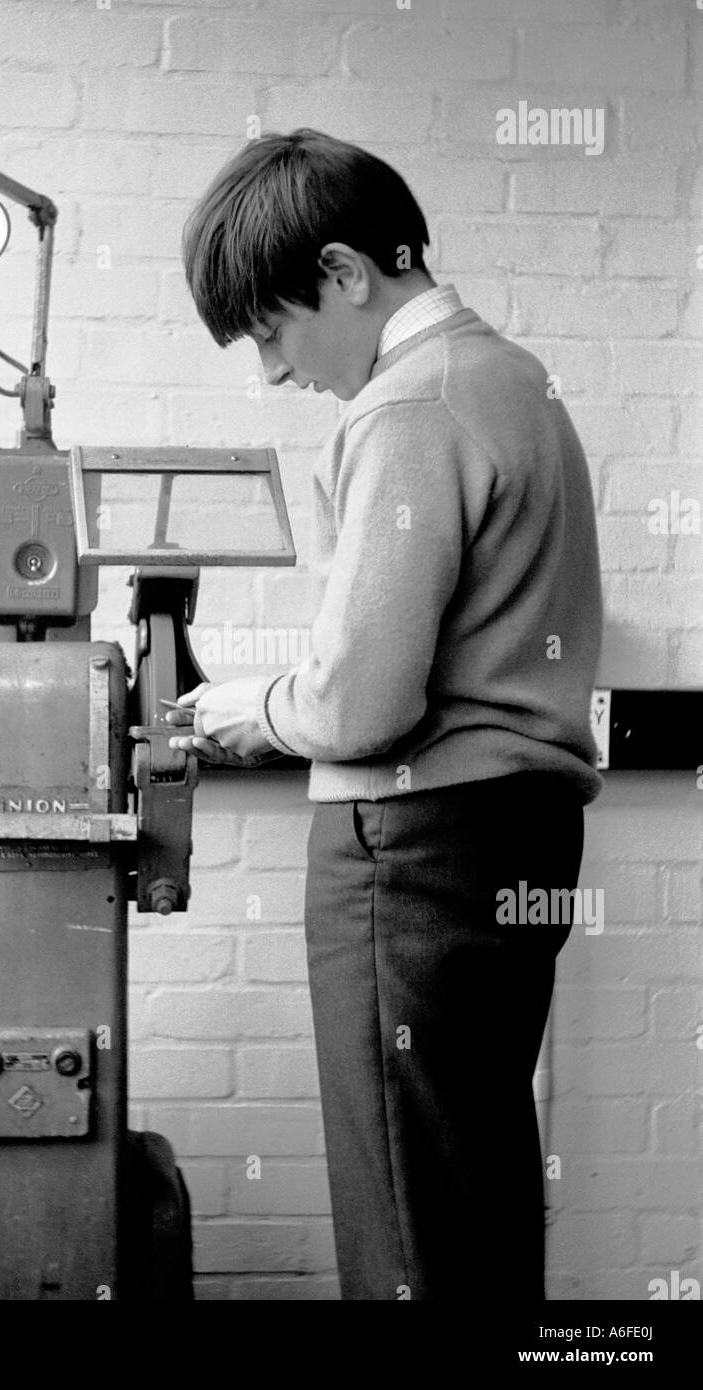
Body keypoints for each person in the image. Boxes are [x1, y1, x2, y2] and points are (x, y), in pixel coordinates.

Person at [167, 127, 603, 1300]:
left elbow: (362, 702)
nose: (272, 370)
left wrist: (244, 708)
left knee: (407, 1222)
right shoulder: (515, 380)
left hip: (412, 850)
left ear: (348, 273)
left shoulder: (407, 407)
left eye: (272, 330)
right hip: (519, 832)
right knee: (475, 1190)